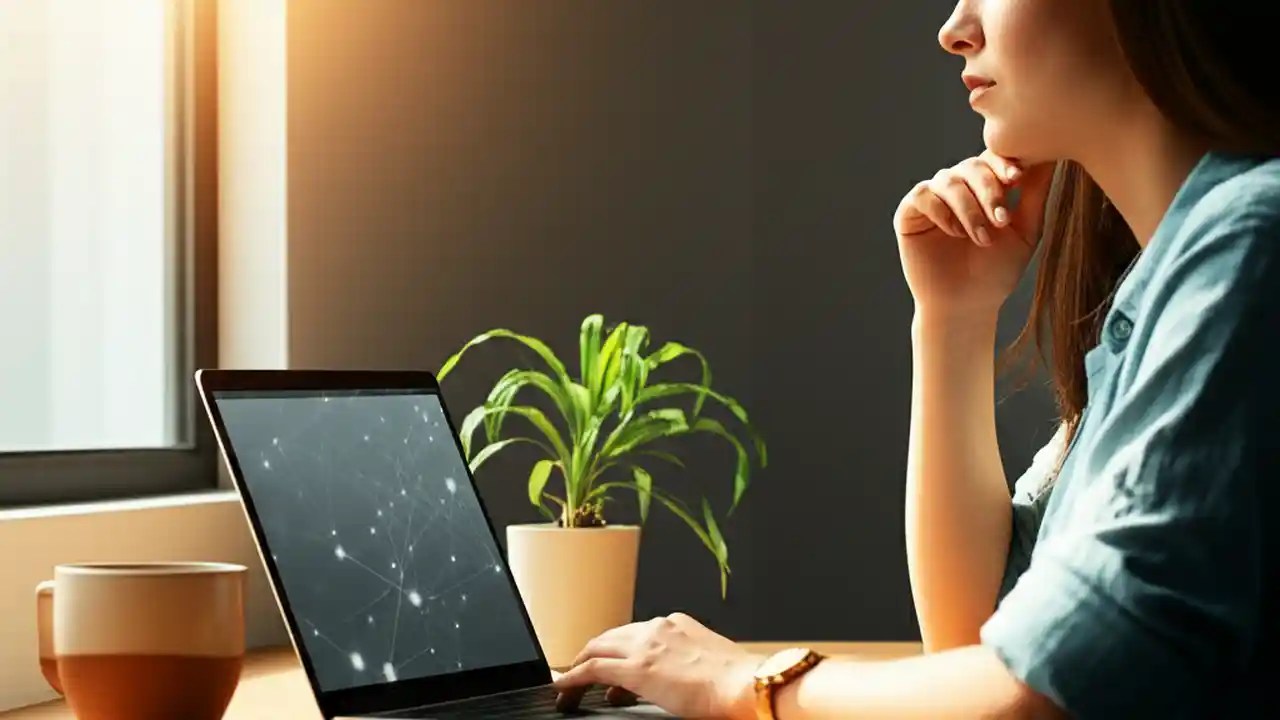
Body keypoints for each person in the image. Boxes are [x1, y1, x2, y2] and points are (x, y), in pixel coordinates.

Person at [553, 1, 1280, 718]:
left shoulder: (1253, 242)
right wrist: (952, 319)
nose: (955, 30)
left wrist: (746, 682)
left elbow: (1035, 694)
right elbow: (977, 648)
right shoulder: (1173, 286)